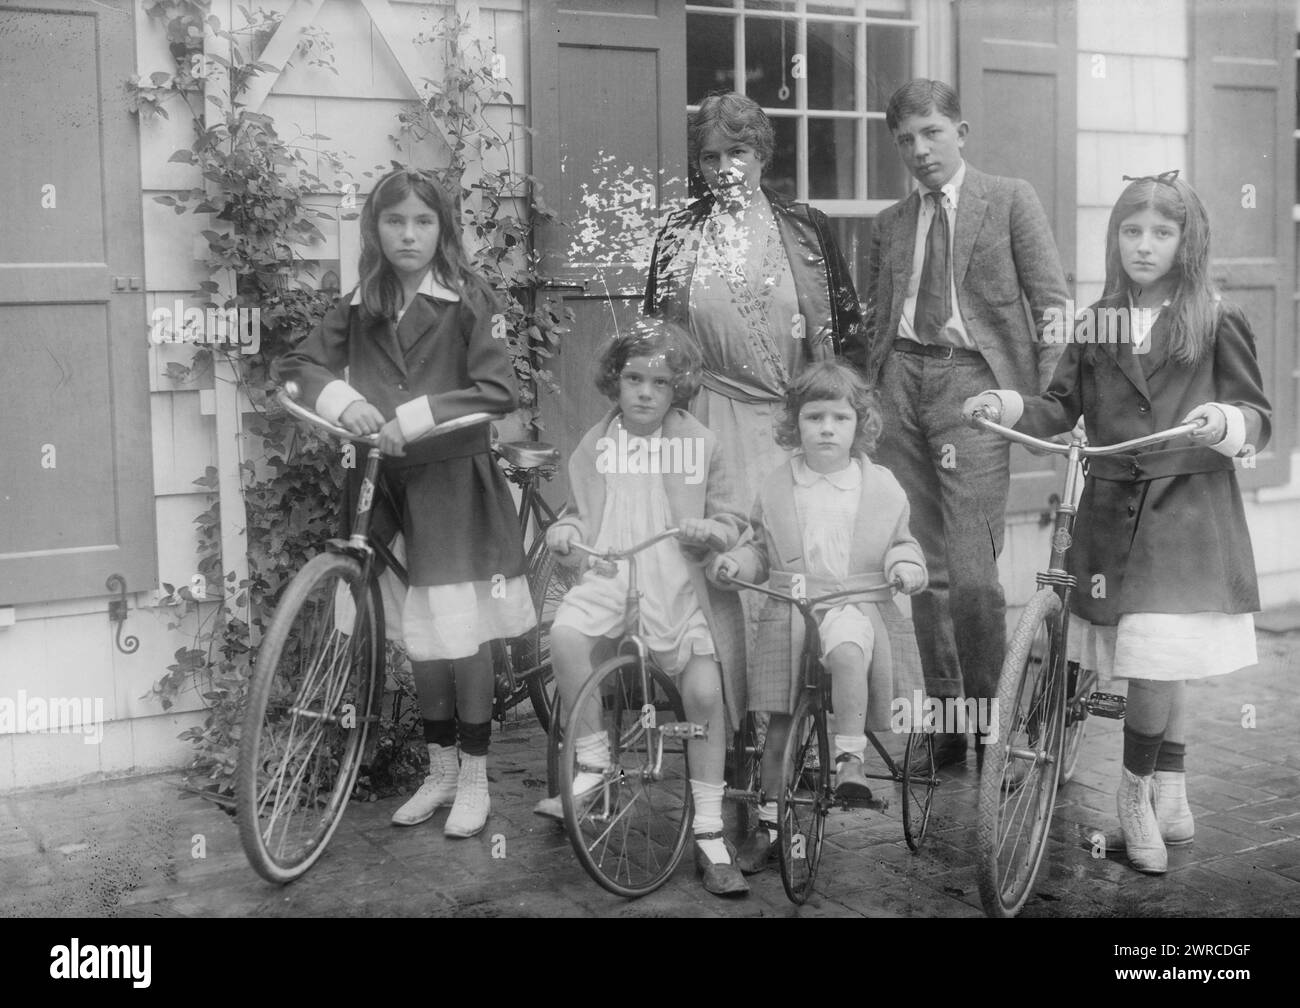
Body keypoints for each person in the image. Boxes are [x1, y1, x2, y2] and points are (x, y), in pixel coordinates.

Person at [961, 171, 1271, 874]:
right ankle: (1168, 784)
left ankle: (1136, 792)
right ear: (1115, 238)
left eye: (1162, 233)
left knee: (1162, 654)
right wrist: (1009, 406)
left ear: (1187, 243)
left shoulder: (1215, 317)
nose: (1144, 245)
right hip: (1110, 510)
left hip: (1185, 513)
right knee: (1155, 660)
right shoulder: (1097, 320)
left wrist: (1226, 421)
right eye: (1132, 231)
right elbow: (1057, 405)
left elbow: (1260, 417)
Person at [273, 167, 536, 839]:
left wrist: (413, 415)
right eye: (395, 222)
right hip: (383, 487)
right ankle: (440, 769)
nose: (409, 235)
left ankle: (475, 777)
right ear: (376, 229)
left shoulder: (468, 298)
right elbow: (300, 368)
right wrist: (348, 399)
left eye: (423, 221)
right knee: (421, 638)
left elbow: (498, 390)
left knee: (462, 633)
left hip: (451, 484)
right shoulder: (363, 301)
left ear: (441, 228)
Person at [862, 79, 1070, 771]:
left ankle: (997, 728)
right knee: (922, 568)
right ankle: (952, 722)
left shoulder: (1009, 199)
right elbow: (873, 321)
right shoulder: (889, 225)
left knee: (976, 574)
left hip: (975, 387)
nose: (919, 151)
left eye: (931, 133)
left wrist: (1048, 406)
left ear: (961, 130)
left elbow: (1051, 306)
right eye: (905, 141)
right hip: (901, 385)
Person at [533, 318, 750, 897]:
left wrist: (712, 528)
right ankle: (595, 761)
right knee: (565, 635)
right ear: (615, 381)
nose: (645, 392)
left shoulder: (699, 443)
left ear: (678, 386)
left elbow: (734, 520)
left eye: (659, 381)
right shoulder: (596, 443)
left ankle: (709, 832)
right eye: (633, 378)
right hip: (612, 572)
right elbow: (579, 512)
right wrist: (568, 530)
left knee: (703, 692)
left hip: (677, 583)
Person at [713, 360, 927, 869]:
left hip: (852, 602)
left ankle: (851, 759)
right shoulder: (778, 485)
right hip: (792, 610)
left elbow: (902, 543)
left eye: (839, 418)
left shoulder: (879, 487)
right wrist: (736, 561)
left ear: (860, 425)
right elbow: (759, 548)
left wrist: (905, 567)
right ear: (795, 424)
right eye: (813, 418)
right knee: (781, 727)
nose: (826, 428)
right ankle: (769, 821)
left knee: (851, 649)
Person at [643, 90, 867, 515]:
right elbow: (654, 346)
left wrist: (841, 419)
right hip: (709, 419)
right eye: (710, 158)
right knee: (719, 545)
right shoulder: (678, 235)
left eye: (737, 152)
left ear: (761, 153)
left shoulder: (807, 229)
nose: (724, 169)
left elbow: (848, 333)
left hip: (795, 419)